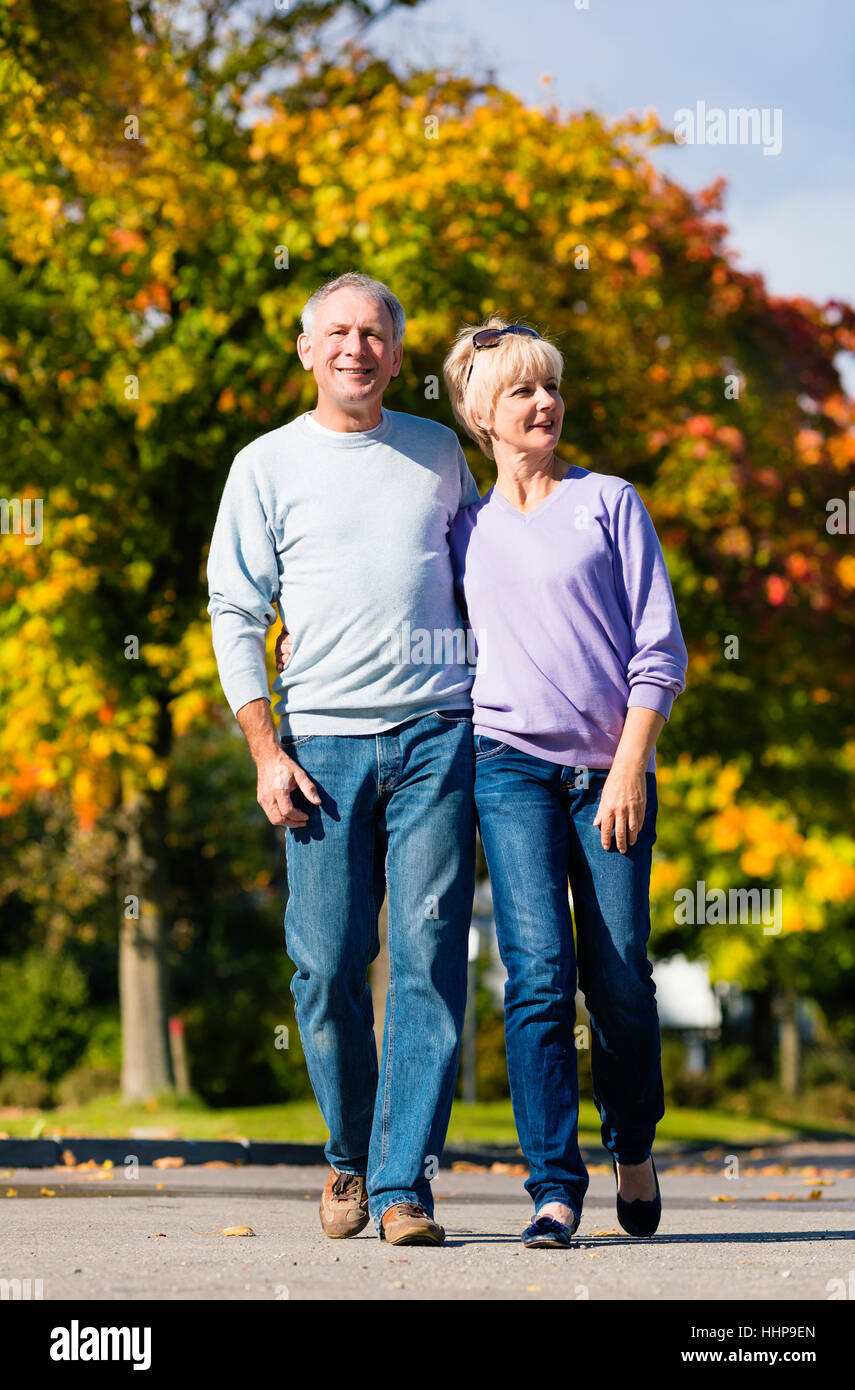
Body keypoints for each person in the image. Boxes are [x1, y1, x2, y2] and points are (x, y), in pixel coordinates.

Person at [206, 273, 480, 1247]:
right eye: (338, 331)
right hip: (316, 747)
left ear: (397, 356)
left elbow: (485, 581)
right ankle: (349, 1158)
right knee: (324, 965)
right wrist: (262, 746)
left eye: (374, 333)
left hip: (435, 737)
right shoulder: (264, 464)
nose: (356, 346)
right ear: (306, 347)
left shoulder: (440, 452)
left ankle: (403, 1183)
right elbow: (235, 608)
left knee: (427, 958)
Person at [441, 317, 688, 1248]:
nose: (544, 404)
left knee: (619, 979)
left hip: (609, 769)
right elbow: (398, 610)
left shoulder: (610, 502)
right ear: (483, 416)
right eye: (521, 392)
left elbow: (660, 650)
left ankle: (632, 1144)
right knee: (536, 975)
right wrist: (295, 637)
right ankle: (553, 1186)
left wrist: (630, 763)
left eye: (550, 387)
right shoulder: (465, 528)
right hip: (508, 768)